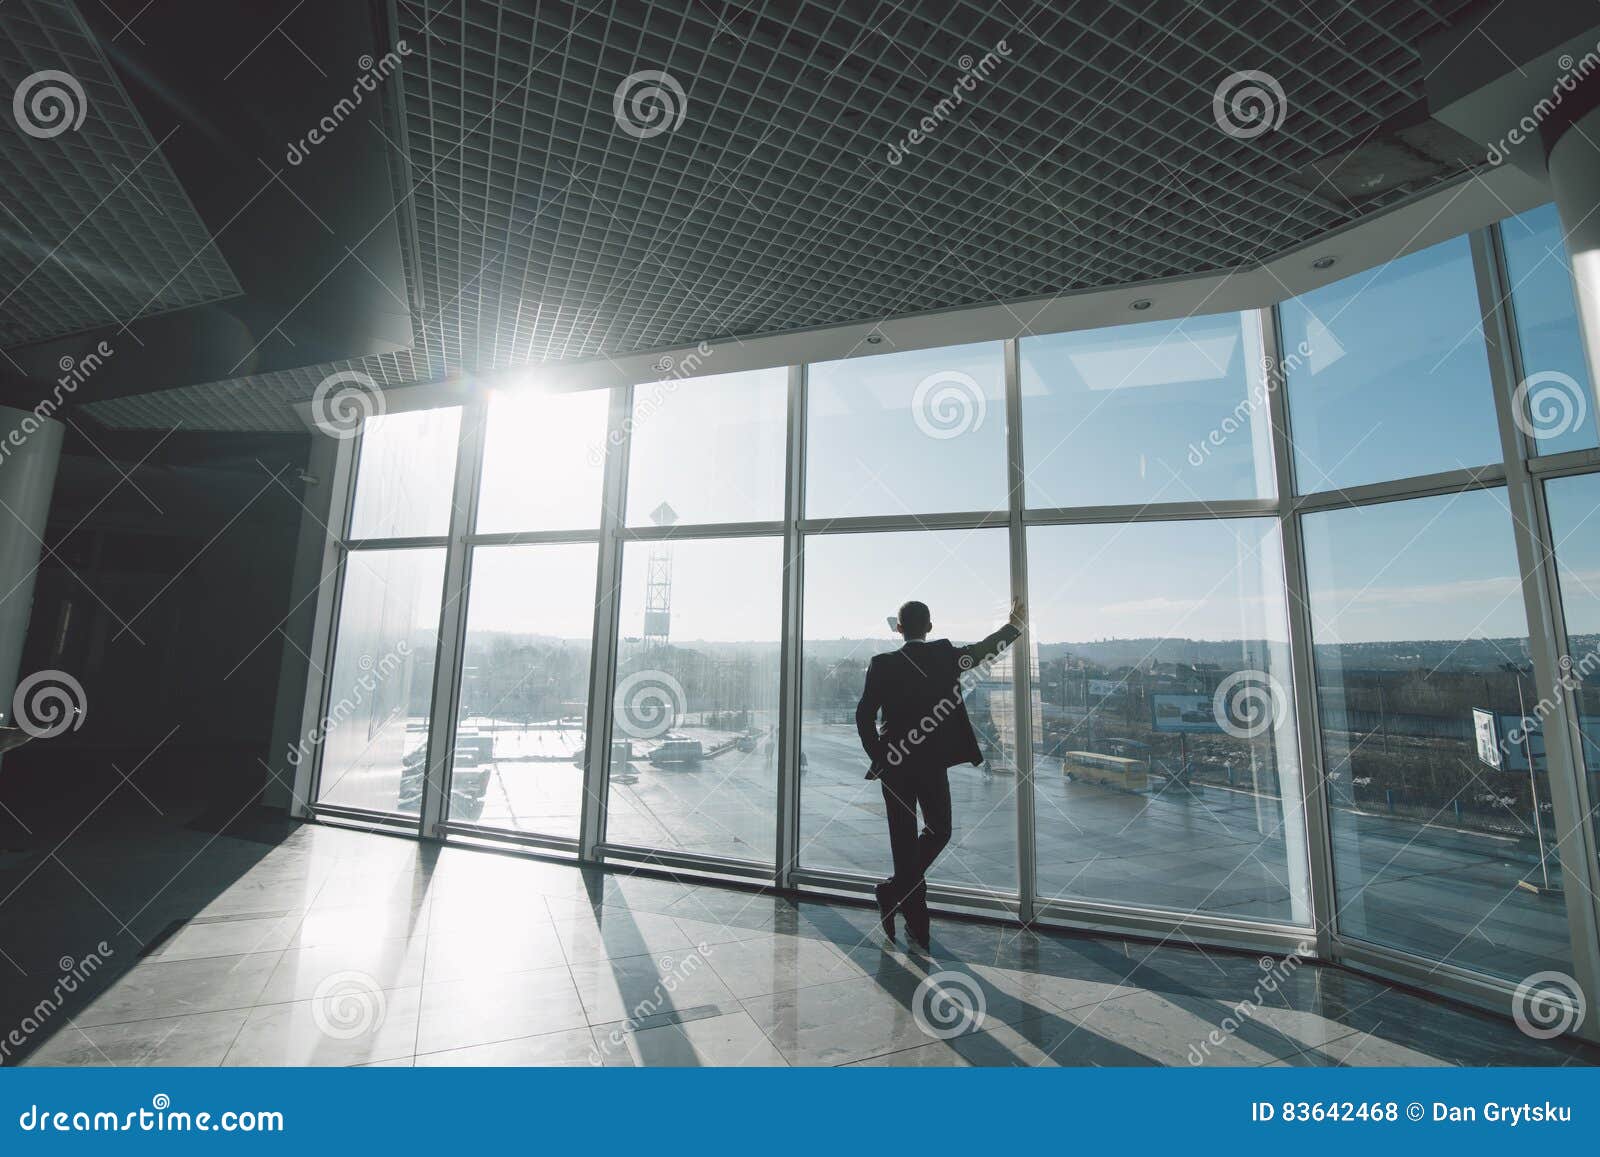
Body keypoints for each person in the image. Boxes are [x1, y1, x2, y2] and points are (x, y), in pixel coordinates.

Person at [855, 596, 1025, 948]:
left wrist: (880, 755)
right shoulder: (945, 655)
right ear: (929, 627)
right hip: (932, 763)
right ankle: (901, 906)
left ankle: (905, 908)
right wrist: (1014, 627)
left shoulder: (881, 663)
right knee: (939, 829)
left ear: (899, 628)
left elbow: (864, 715)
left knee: (903, 843)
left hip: (895, 765)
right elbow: (983, 651)